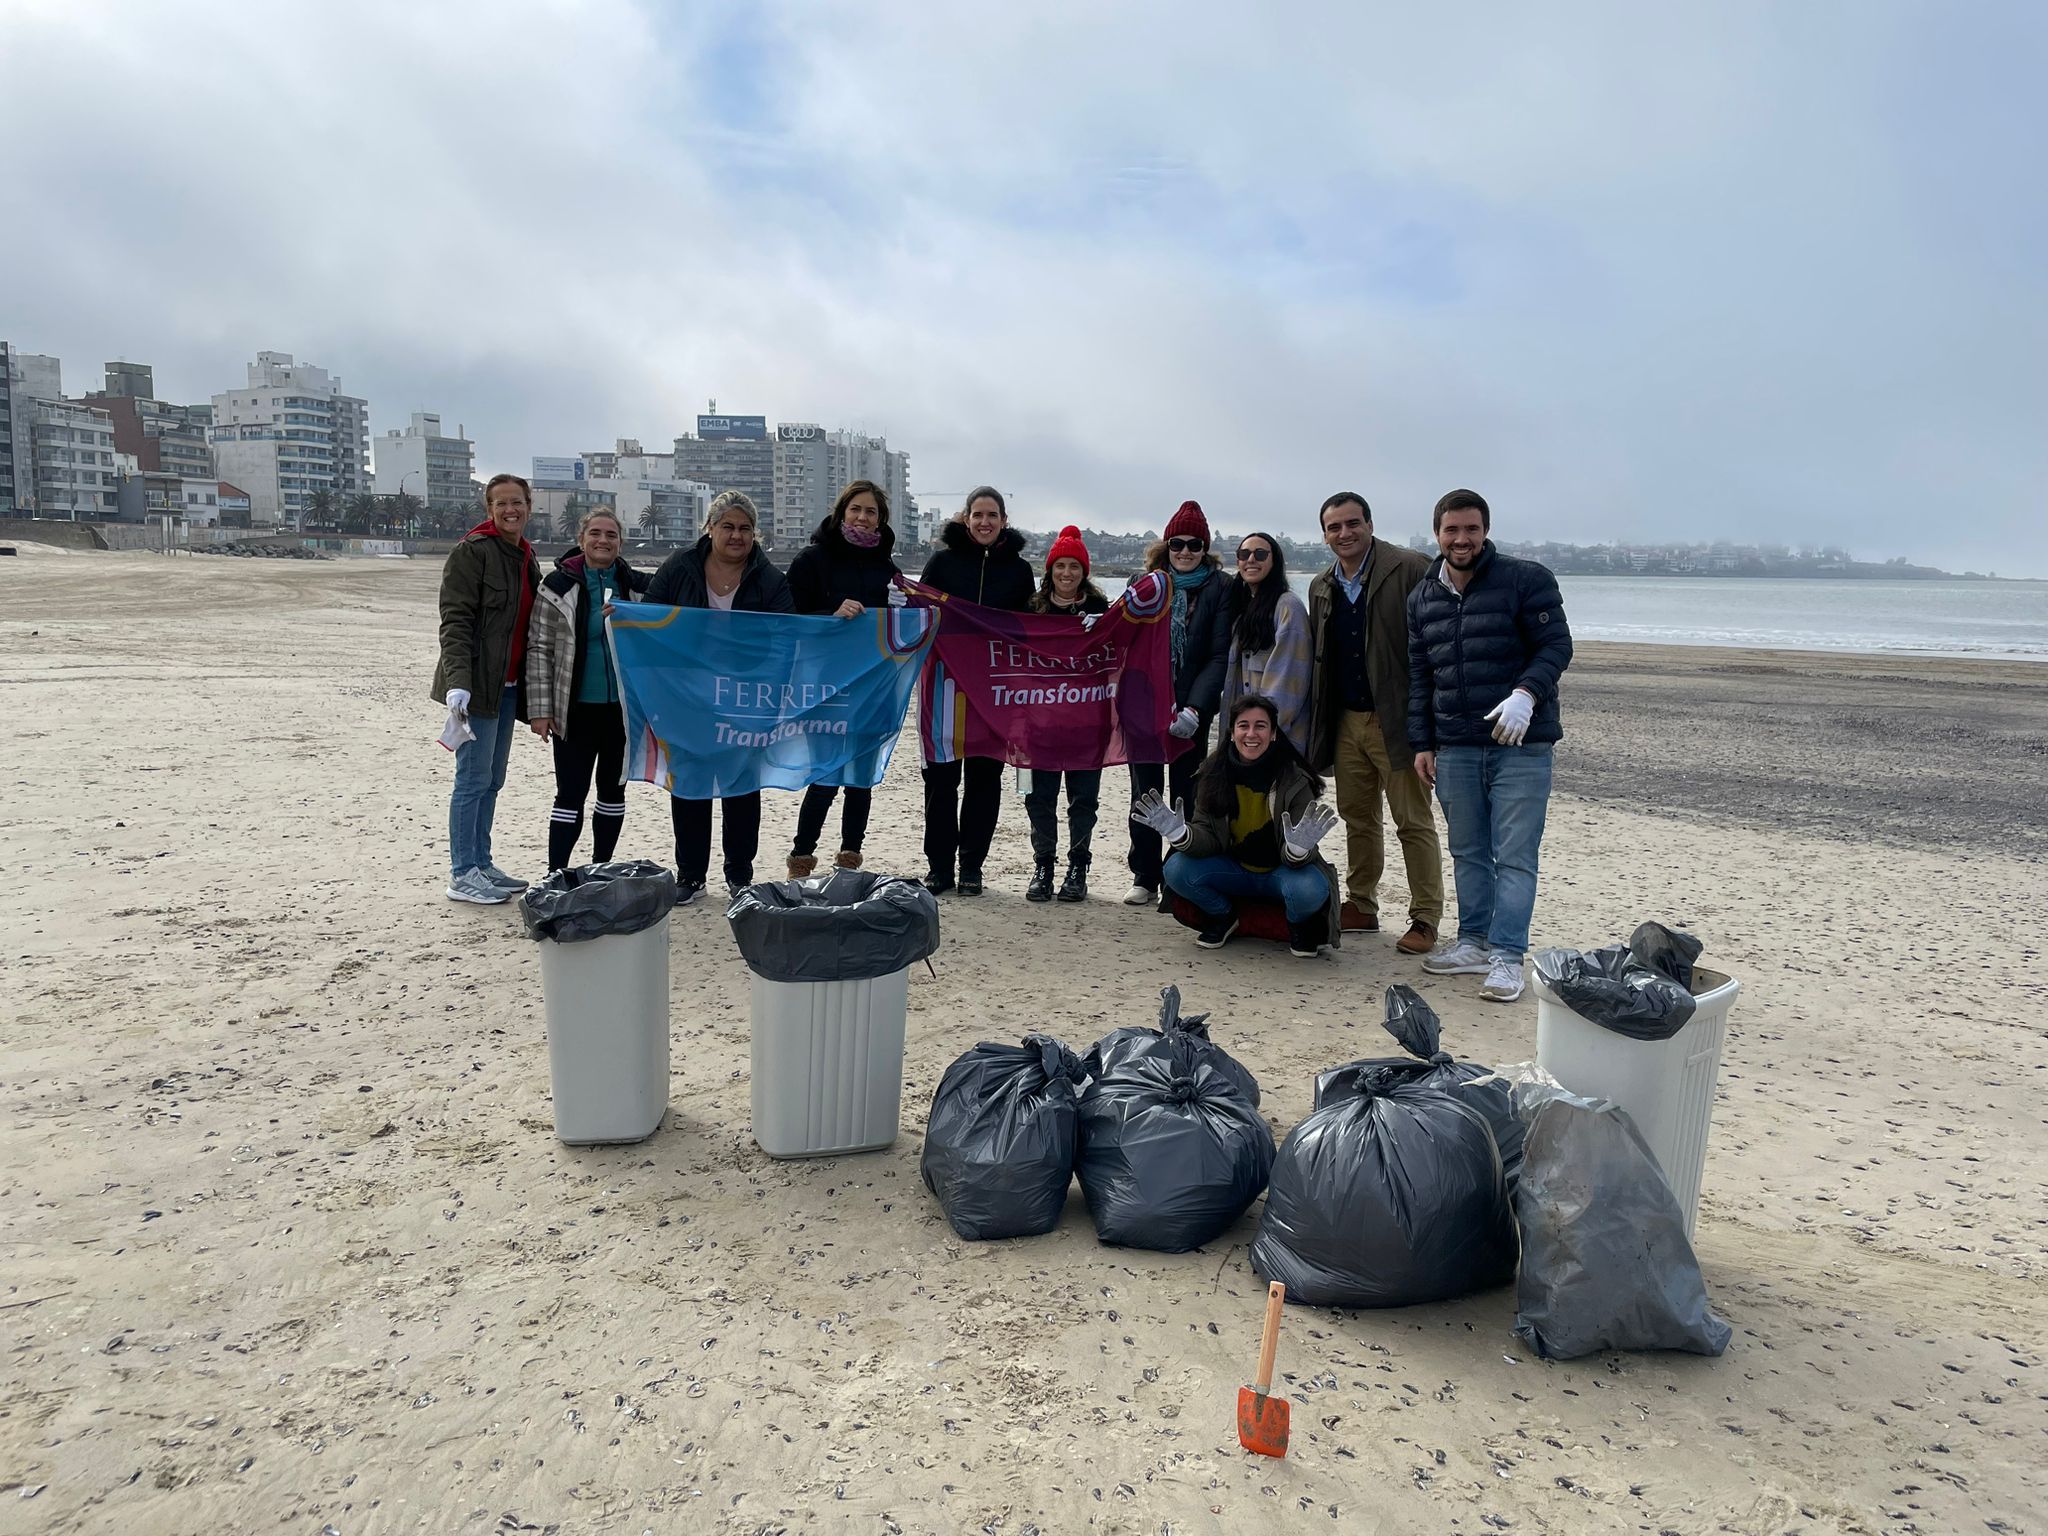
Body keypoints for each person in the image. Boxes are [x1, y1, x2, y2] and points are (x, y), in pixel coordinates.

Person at [1407, 488, 1574, 1002]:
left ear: (1486, 531)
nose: (1462, 539)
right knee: (1468, 851)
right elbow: (1421, 675)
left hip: (1520, 742)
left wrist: (1527, 693)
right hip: (1454, 745)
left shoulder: (1527, 580)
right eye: (1452, 530)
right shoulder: (1422, 598)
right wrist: (1422, 742)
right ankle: (1473, 942)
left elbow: (1556, 645)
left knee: (1516, 855)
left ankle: (1506, 956)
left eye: (1472, 529)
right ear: (1437, 533)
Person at [1305, 491, 1444, 953]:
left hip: (1397, 718)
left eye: (1352, 523)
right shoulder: (1322, 584)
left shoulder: (1410, 568)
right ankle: (1361, 904)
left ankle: (1425, 918)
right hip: (1345, 718)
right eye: (1334, 527)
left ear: (1369, 524)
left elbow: (1439, 639)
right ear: (1324, 534)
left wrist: (1430, 718)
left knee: (1413, 820)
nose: (1344, 533)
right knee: (1357, 818)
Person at [644, 489, 793, 901]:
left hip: (744, 698)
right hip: (687, 697)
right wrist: (624, 617)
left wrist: (771, 697)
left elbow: (785, 639)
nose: (736, 535)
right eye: (727, 526)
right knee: (690, 783)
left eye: (745, 528)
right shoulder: (680, 567)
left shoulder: (769, 579)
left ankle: (739, 875)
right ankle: (690, 875)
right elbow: (653, 616)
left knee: (741, 786)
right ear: (709, 529)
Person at [1133, 693, 1343, 957]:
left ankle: (1298, 926)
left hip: (1282, 872)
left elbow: (1301, 852)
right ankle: (1223, 916)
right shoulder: (1213, 773)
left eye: (1261, 726)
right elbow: (1208, 838)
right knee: (1175, 868)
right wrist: (1180, 834)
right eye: (1243, 725)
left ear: (1274, 733)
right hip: (1232, 870)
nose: (1251, 734)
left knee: (1311, 887)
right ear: (1232, 732)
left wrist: (1299, 850)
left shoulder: (1296, 780)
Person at [782, 479, 903, 878]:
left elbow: (903, 627)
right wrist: (829, 613)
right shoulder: (812, 559)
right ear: (841, 512)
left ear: (880, 521)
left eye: (871, 512)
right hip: (825, 684)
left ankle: (850, 858)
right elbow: (787, 616)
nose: (862, 518)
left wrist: (905, 607)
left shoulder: (887, 567)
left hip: (874, 686)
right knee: (825, 775)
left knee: (861, 778)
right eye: (856, 509)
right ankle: (802, 858)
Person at [432, 472, 543, 905]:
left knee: (492, 779)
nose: (510, 510)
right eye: (501, 504)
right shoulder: (471, 553)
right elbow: (454, 621)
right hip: (476, 687)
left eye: (517, 502)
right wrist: (458, 685)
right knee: (472, 779)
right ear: (490, 509)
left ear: (529, 507)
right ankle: (463, 873)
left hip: (508, 687)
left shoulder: (525, 557)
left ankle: (481, 861)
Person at [918, 485, 1034, 895]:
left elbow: (1030, 629)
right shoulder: (943, 562)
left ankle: (971, 866)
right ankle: (940, 867)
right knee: (941, 781)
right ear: (965, 518)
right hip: (945, 688)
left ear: (1003, 521)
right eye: (978, 514)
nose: (985, 522)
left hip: (995, 691)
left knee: (985, 781)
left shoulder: (1019, 570)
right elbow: (917, 612)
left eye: (992, 515)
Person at [526, 507, 649, 872]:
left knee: (613, 794)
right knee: (570, 795)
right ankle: (556, 872)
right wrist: (540, 710)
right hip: (574, 709)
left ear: (620, 543)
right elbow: (538, 648)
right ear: (581, 540)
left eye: (611, 535)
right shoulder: (557, 585)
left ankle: (601, 867)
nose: (603, 540)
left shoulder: (639, 586)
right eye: (595, 533)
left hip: (621, 712)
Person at [1123, 500, 1231, 911]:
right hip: (1144, 706)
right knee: (1144, 792)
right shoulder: (1145, 581)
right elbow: (1123, 634)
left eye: (1195, 544)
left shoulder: (1220, 588)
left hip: (1192, 708)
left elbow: (1219, 654)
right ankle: (1144, 875)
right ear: (1166, 545)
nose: (1186, 551)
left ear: (1206, 548)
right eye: (1178, 543)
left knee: (1188, 791)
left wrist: (1197, 708)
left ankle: (1178, 873)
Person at [1023, 525, 1111, 903]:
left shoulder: (1101, 611)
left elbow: (1129, 646)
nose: (1067, 574)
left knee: (1083, 799)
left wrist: (1106, 626)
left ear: (1084, 572)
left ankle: (1078, 865)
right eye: (1060, 566)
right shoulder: (1031, 609)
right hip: (1037, 723)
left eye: (1075, 567)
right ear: (1050, 570)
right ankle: (1043, 864)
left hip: (1086, 723)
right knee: (1037, 798)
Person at [1221, 531, 1312, 751]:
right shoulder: (1244, 609)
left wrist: (1264, 732)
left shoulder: (1288, 607)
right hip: (1248, 738)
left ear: (1275, 561)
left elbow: (1288, 681)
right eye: (1244, 554)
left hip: (1276, 739)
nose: (1251, 559)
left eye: (1260, 554)